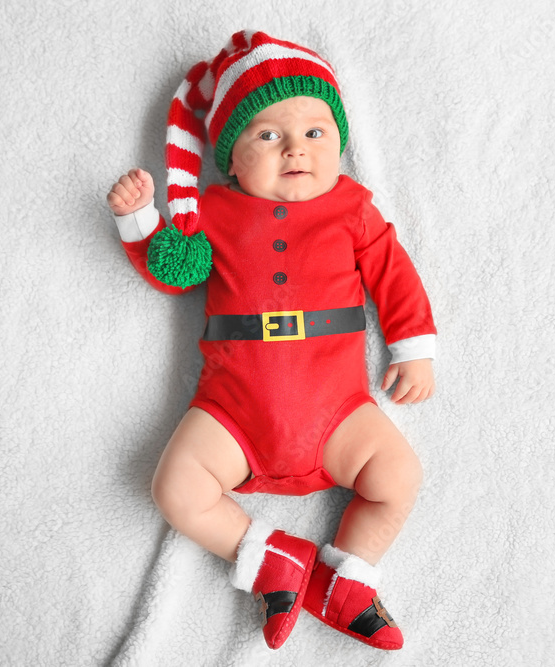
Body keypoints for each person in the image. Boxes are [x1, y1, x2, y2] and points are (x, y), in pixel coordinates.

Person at [106, 30, 436, 651]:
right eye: (268, 135)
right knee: (175, 488)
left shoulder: (352, 208)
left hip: (338, 412)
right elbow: (175, 273)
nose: (296, 149)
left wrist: (412, 346)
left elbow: (393, 270)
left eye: (316, 132)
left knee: (399, 475)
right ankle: (270, 559)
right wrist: (141, 220)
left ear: (340, 142)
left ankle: (348, 580)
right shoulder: (215, 212)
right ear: (229, 158)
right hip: (232, 414)